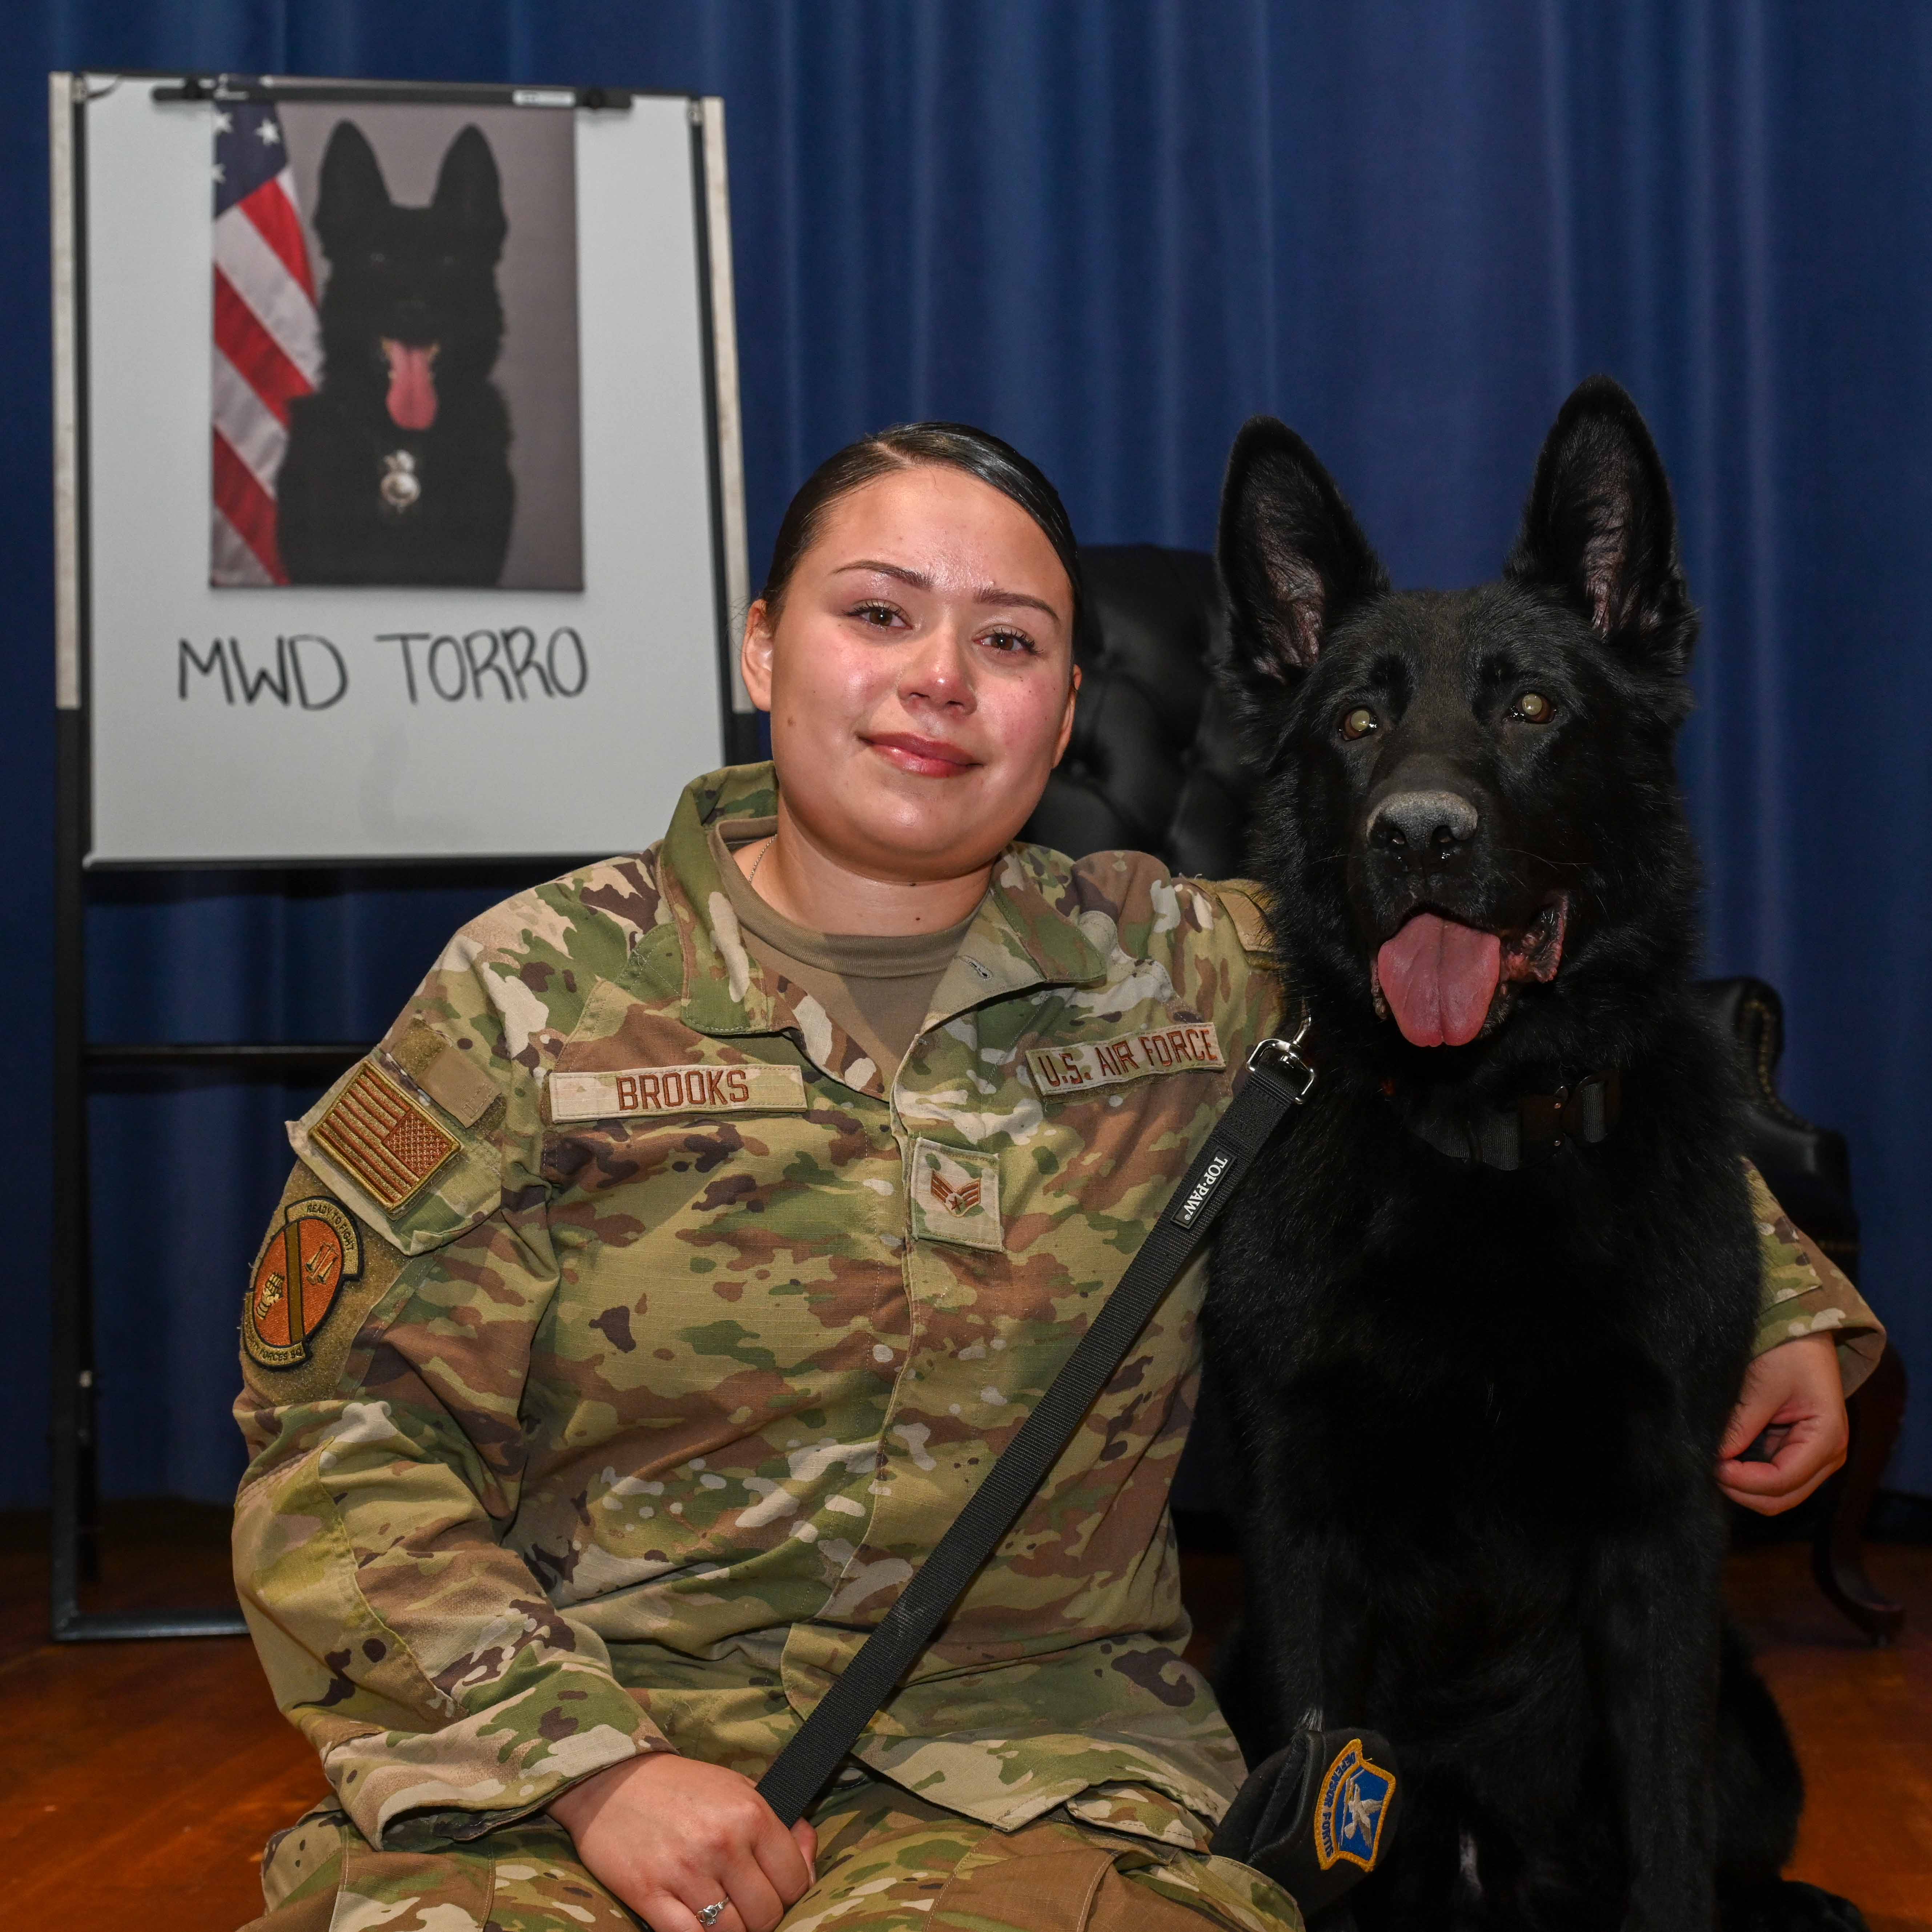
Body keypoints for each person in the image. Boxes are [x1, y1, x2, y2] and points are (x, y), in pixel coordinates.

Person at [233, 424, 1882, 1932]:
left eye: (1008, 640)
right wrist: (593, 1769)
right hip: (582, 1779)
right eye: (878, 615)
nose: (939, 678)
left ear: (1068, 706)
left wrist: (1778, 1302)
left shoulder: (1185, 970)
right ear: (758, 645)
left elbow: (1545, 1058)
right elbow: (337, 1453)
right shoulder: (527, 994)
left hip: (1024, 1785)